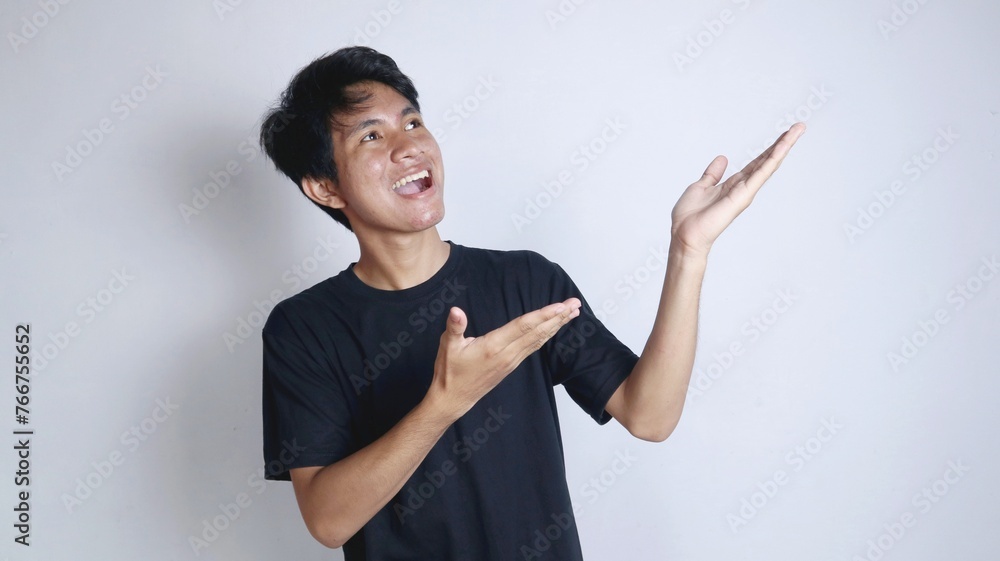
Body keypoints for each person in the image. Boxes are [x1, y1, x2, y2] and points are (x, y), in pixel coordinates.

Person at [257, 46, 805, 560]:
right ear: (325, 188)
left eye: (412, 122)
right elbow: (328, 521)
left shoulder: (525, 280)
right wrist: (443, 404)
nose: (408, 147)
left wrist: (689, 251)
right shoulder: (303, 328)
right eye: (371, 137)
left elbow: (650, 415)